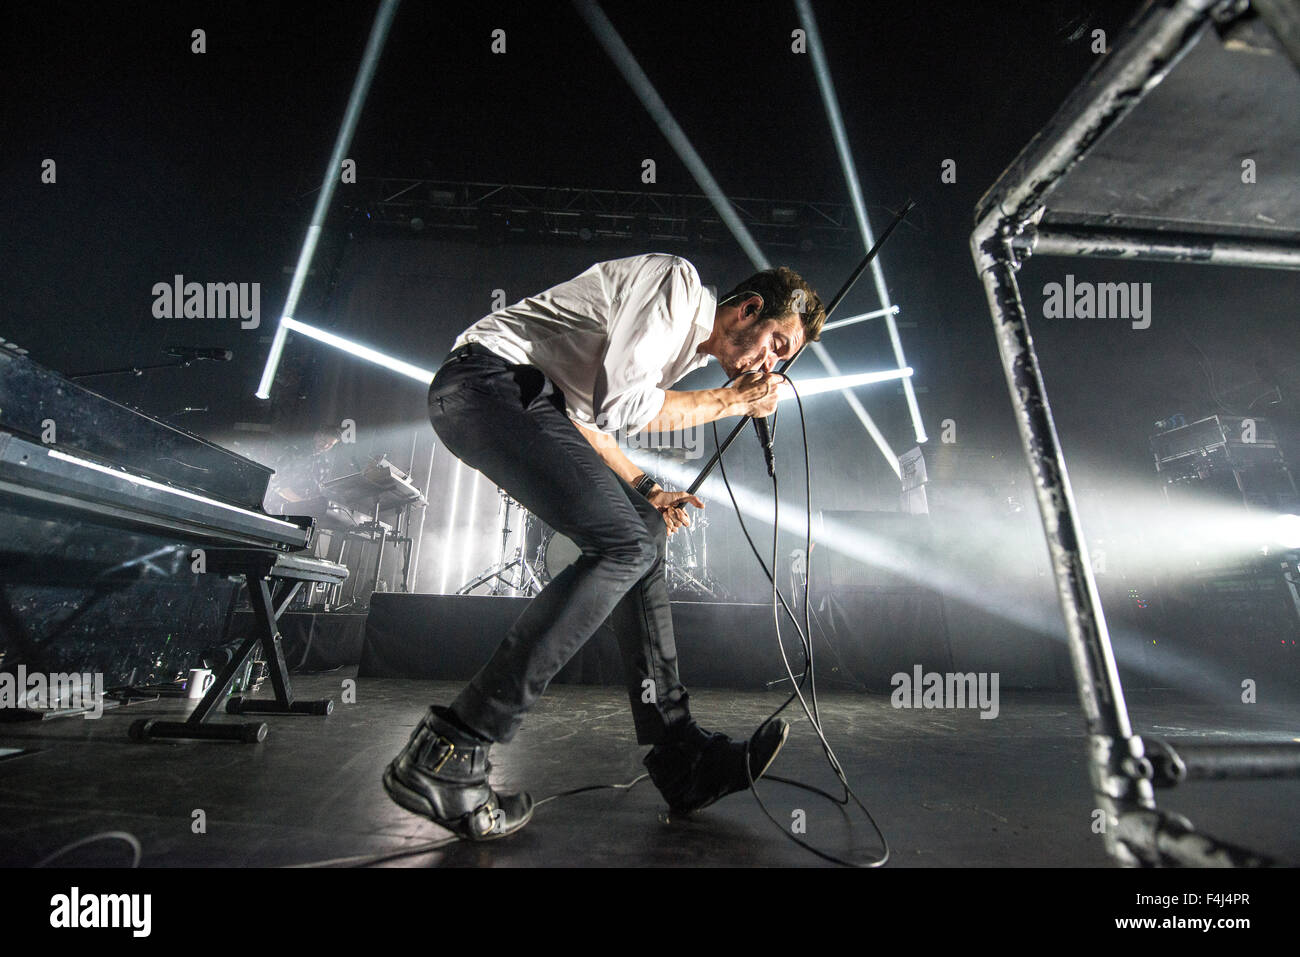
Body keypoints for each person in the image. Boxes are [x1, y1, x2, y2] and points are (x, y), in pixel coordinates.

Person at [383, 253, 825, 840]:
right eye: (777, 344)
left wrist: (646, 488)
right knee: (621, 546)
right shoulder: (675, 283)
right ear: (748, 309)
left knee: (639, 532)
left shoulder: (676, 348)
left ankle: (681, 757)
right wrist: (732, 402)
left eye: (782, 362)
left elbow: (589, 420)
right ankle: (451, 748)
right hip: (490, 382)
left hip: (521, 399)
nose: (770, 364)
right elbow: (625, 407)